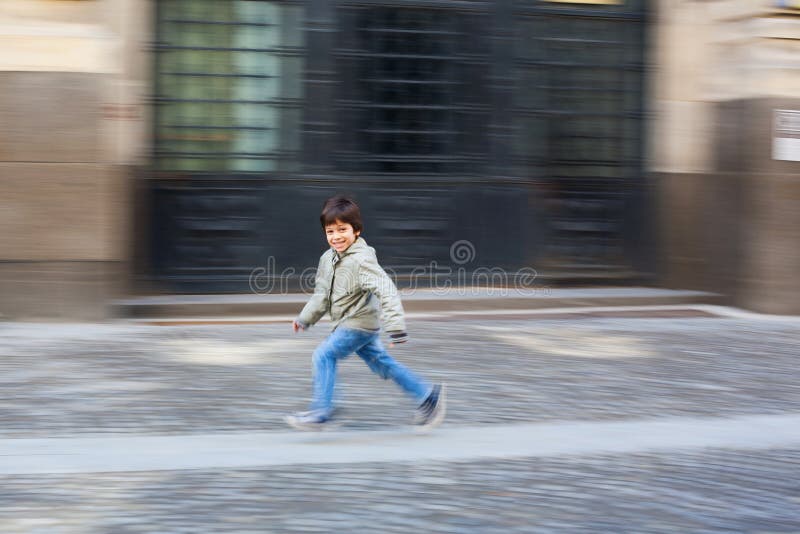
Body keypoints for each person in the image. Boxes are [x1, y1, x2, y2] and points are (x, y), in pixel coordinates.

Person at [285, 195, 446, 430]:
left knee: (323, 356)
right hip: (352, 325)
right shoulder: (327, 259)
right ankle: (428, 397)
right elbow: (322, 295)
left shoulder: (362, 260)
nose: (336, 236)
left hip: (357, 324)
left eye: (342, 229)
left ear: (356, 231)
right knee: (383, 365)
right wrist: (304, 319)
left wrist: (396, 327)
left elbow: (386, 290)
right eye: (330, 231)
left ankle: (322, 410)